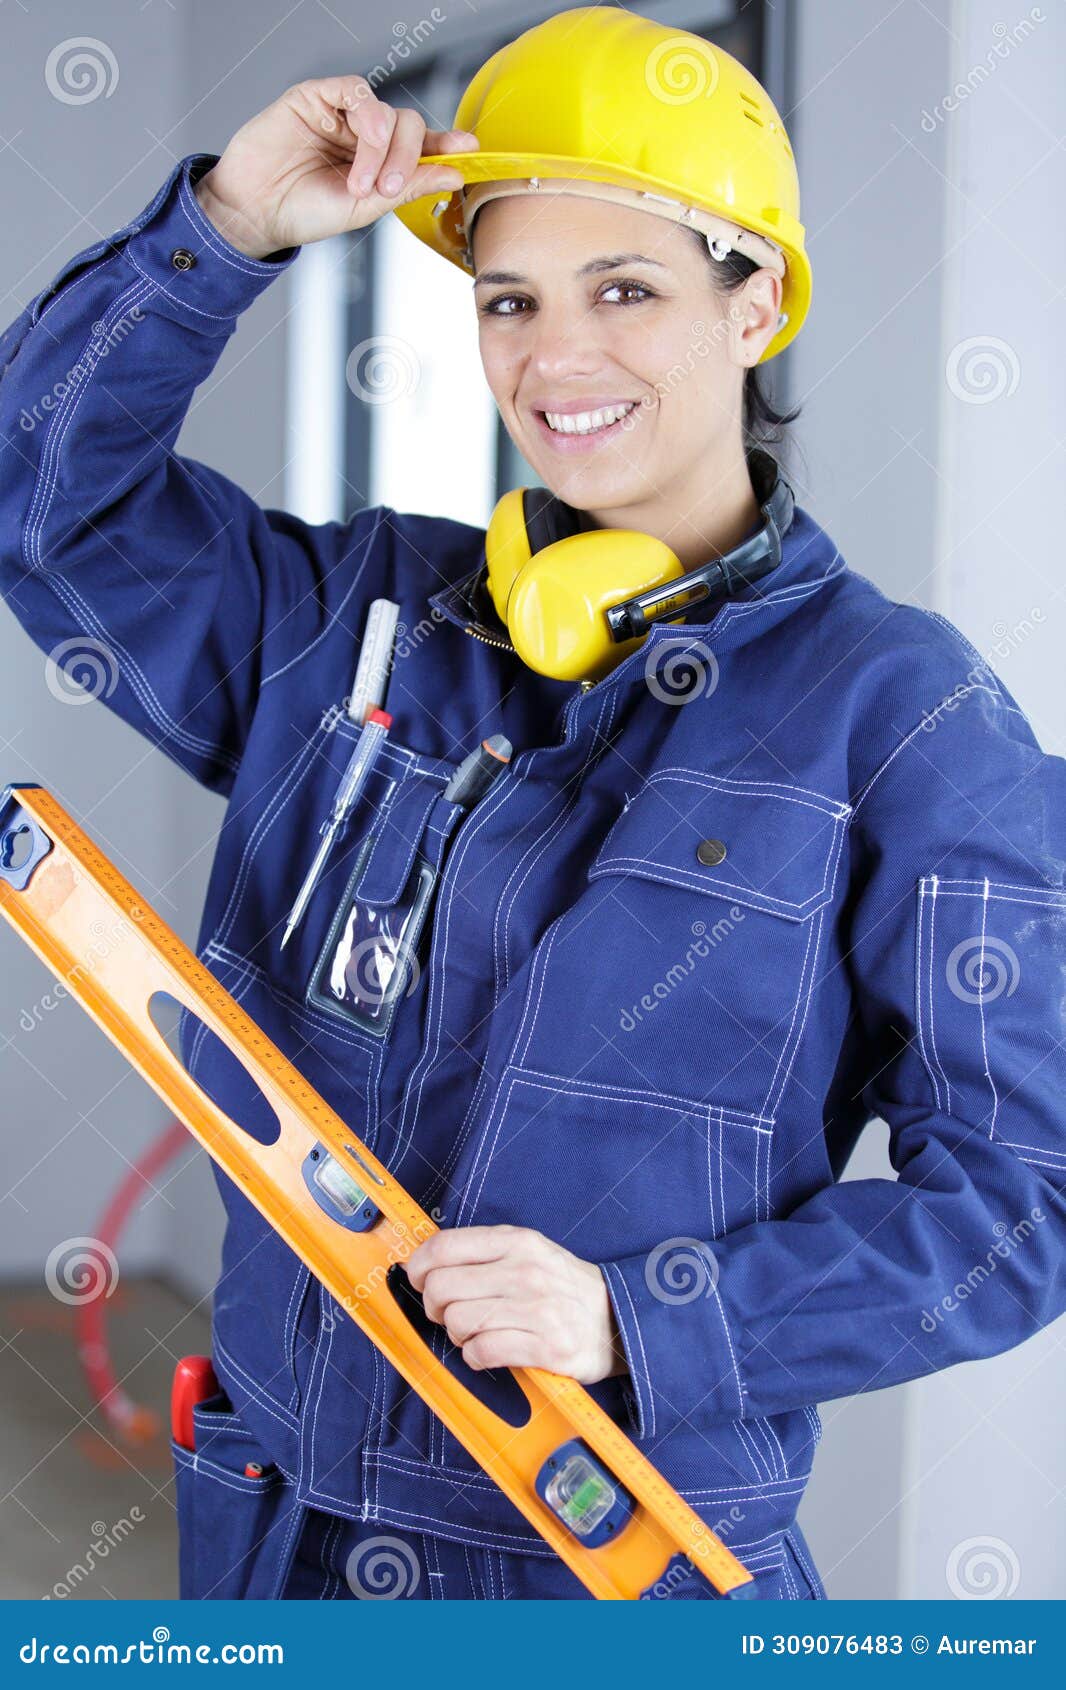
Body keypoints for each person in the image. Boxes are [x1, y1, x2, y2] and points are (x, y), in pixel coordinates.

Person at [1, 5, 1063, 1603]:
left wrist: (647, 1318)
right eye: (510, 300)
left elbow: (1019, 1198)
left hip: (595, 1560)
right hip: (272, 1531)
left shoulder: (901, 716)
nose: (553, 358)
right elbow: (48, 500)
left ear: (754, 297)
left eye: (623, 288)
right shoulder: (365, 620)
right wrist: (220, 231)